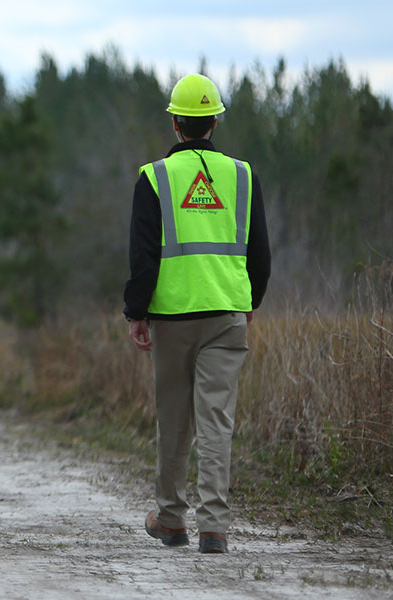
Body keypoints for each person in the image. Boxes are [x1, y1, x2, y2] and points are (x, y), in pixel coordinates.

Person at [125, 73, 270, 555]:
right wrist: (248, 302)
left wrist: (136, 312)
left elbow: (143, 258)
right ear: (215, 122)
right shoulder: (243, 176)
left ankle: (171, 520)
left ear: (175, 124)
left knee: (174, 420)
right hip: (227, 313)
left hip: (172, 317)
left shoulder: (155, 178)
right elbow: (260, 254)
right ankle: (214, 527)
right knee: (216, 421)